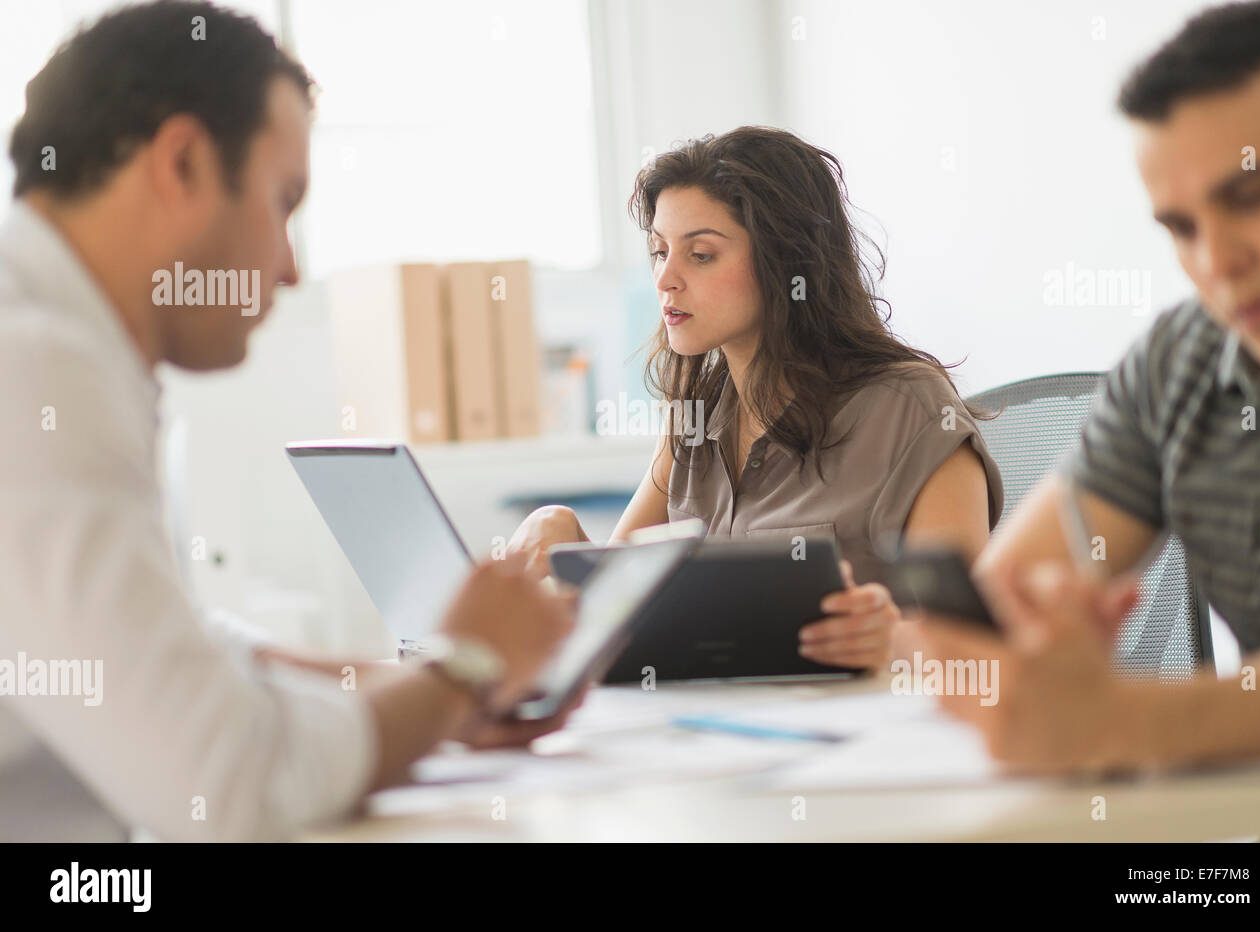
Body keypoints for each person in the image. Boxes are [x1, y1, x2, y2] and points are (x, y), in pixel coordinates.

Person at [0, 0, 577, 842]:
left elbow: (165, 648)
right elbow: (230, 784)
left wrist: (416, 691)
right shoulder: (36, 363)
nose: (291, 268)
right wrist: (463, 672)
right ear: (184, 163)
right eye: (284, 200)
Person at [924, 0, 1260, 772]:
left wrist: (1130, 722)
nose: (1217, 262)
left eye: (1252, 197)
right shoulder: (1179, 364)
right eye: (1181, 227)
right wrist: (1033, 640)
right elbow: (996, 609)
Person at [510, 127, 1003, 671]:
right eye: (659, 251)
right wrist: (558, 532)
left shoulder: (910, 408)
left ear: (786, 262)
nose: (665, 279)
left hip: (859, 737)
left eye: (700, 254)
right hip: (708, 730)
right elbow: (615, 605)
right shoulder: (696, 414)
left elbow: (976, 648)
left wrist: (892, 642)